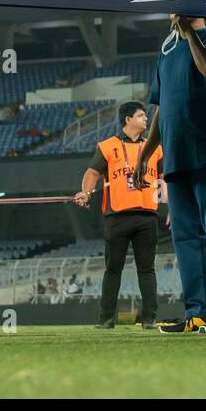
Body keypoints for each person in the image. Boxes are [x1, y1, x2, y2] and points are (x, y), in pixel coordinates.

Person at [133, 15, 206, 334]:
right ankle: (197, 311)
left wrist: (191, 35)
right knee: (185, 237)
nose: (173, 16)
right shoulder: (166, 50)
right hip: (176, 157)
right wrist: (145, 154)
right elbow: (160, 106)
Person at [74, 100, 165, 329]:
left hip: (147, 215)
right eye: (142, 116)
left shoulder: (156, 147)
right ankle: (106, 319)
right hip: (117, 217)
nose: (146, 119)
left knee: (147, 269)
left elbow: (164, 179)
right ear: (128, 120)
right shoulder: (107, 146)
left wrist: (170, 206)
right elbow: (92, 172)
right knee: (113, 268)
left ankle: (149, 319)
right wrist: (85, 192)